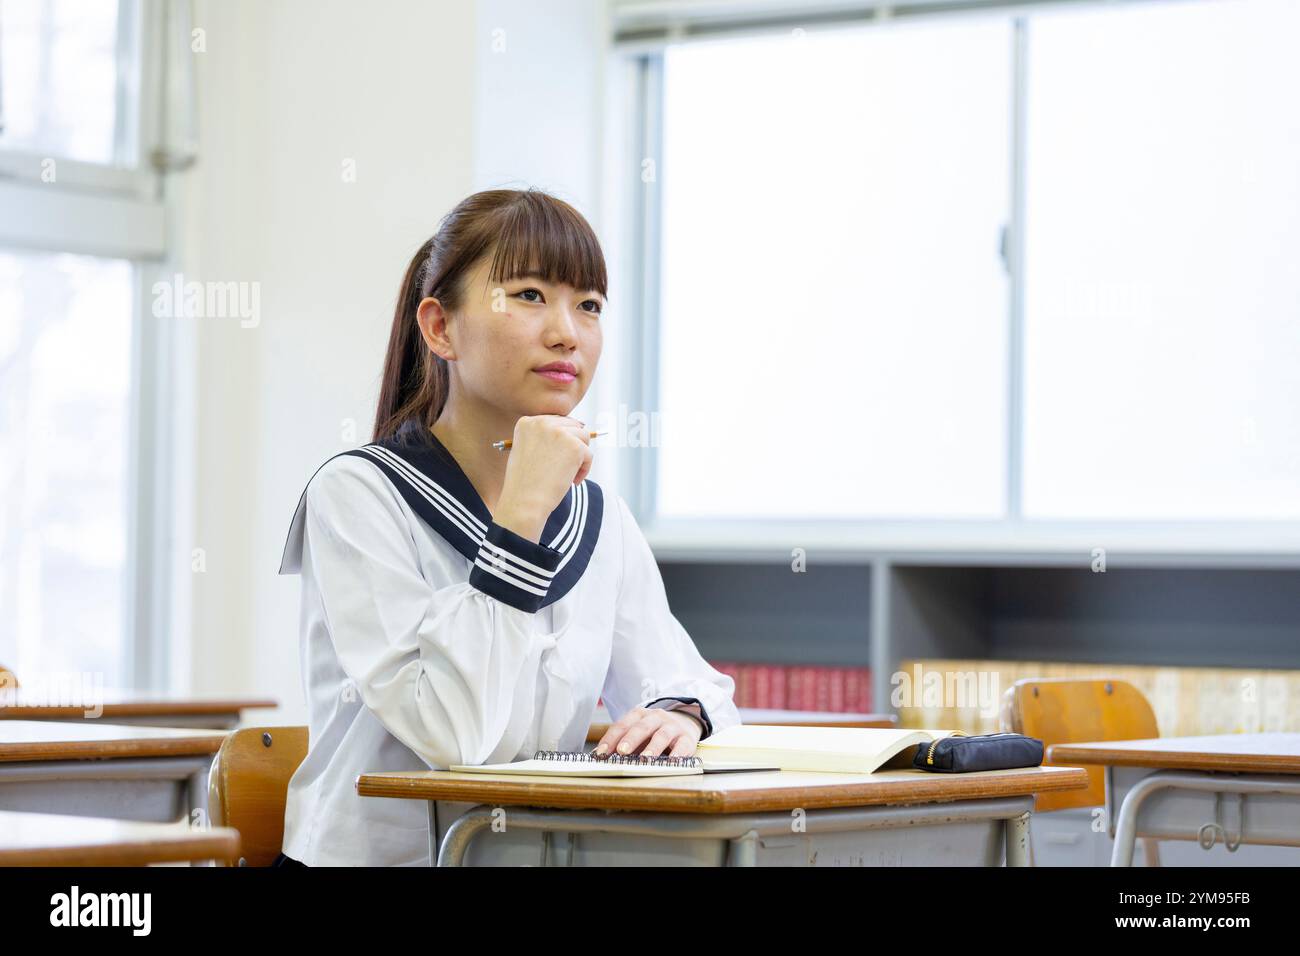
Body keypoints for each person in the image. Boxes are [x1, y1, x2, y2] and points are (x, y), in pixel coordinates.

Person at [274, 187, 740, 866]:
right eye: (528, 295)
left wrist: (677, 715)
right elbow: (453, 733)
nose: (567, 332)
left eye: (589, 305)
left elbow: (685, 680)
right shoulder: (357, 494)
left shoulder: (597, 516)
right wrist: (520, 514)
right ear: (439, 329)